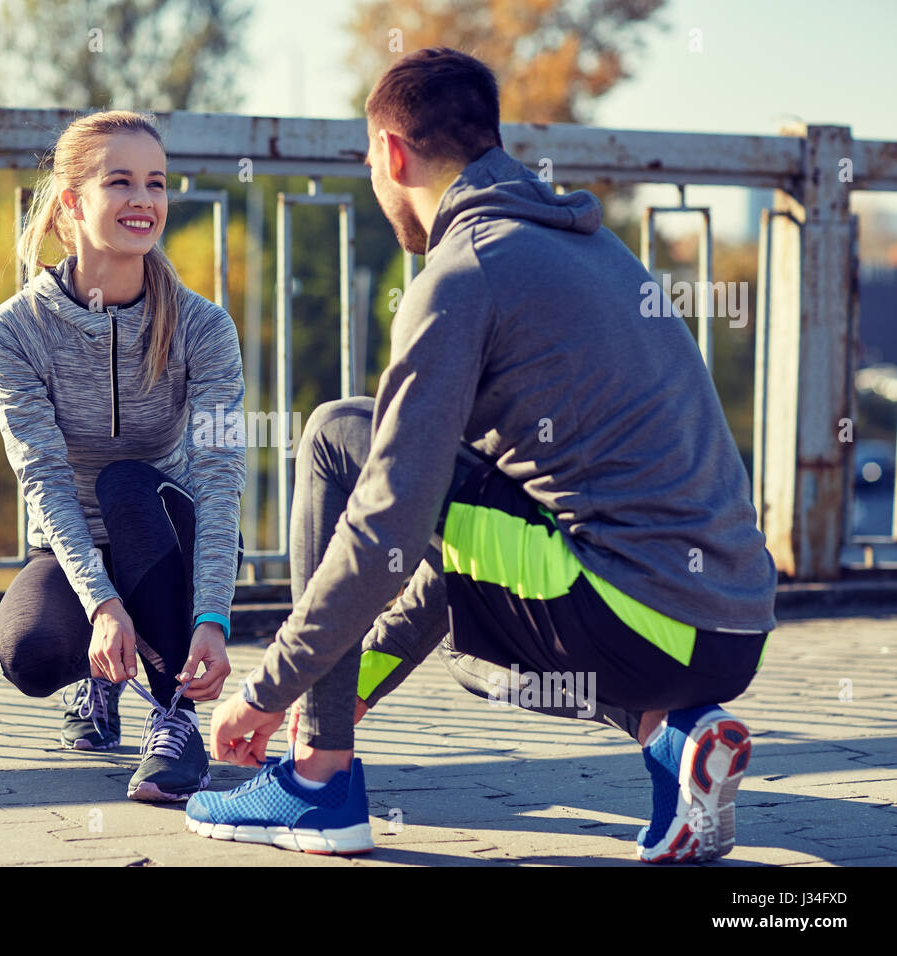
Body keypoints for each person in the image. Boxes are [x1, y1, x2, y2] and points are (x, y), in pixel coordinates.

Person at [187, 47, 775, 862]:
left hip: (634, 616)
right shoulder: (593, 250)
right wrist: (351, 682)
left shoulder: (464, 272)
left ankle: (318, 783)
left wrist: (267, 690)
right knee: (486, 530)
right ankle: (677, 743)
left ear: (392, 153)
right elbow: (456, 536)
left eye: (370, 161)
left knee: (334, 438)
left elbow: (388, 523)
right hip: (725, 630)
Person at [0, 109, 246, 802]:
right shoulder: (17, 330)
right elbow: (41, 477)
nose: (144, 201)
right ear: (71, 203)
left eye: (156, 184)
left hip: (167, 534)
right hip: (75, 547)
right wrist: (99, 601)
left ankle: (176, 720)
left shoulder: (204, 327)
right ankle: (101, 678)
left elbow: (220, 481)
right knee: (29, 654)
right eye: (121, 182)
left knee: (130, 485)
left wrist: (213, 617)